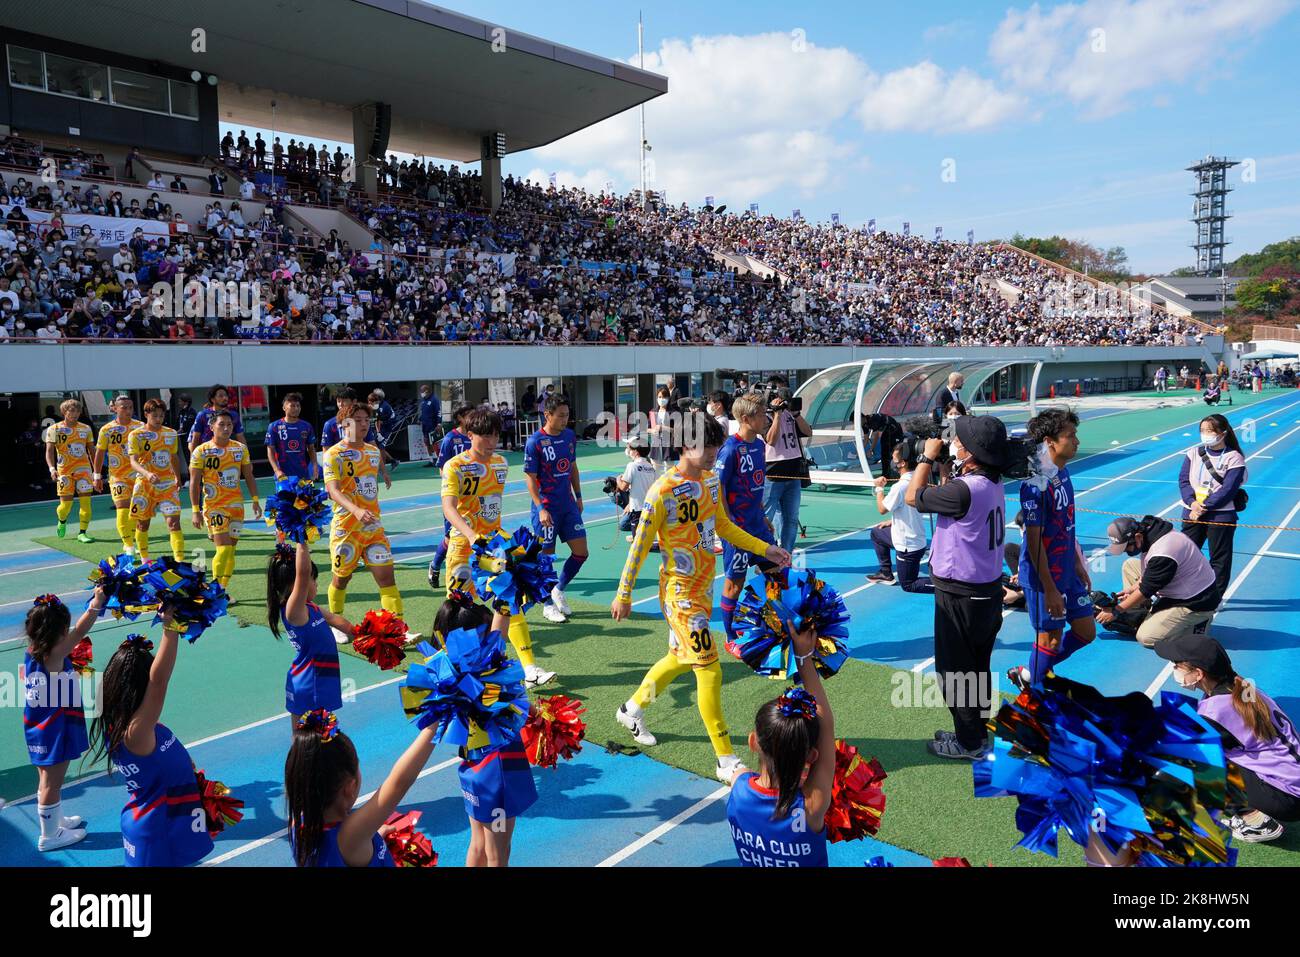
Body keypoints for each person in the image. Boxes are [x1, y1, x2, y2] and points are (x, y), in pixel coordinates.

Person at [610, 411, 791, 784]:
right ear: (684, 446)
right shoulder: (661, 491)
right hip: (679, 595)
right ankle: (725, 758)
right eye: (705, 446)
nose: (713, 453)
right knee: (709, 668)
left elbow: (723, 526)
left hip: (704, 587)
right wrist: (623, 594)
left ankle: (631, 709)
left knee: (680, 657)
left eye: (716, 445)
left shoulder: (710, 482)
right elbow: (640, 546)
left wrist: (766, 549)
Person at [906, 415, 1010, 760]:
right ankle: (976, 732)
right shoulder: (987, 483)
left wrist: (925, 458)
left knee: (953, 673)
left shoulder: (965, 489)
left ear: (973, 450)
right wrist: (946, 467)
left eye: (959, 441)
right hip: (986, 592)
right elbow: (950, 494)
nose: (953, 443)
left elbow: (913, 497)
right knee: (976, 668)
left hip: (960, 593)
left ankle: (969, 744)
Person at [440, 407, 554, 688]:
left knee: (509, 602)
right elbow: (448, 507)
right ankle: (453, 670)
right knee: (458, 609)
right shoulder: (454, 466)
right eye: (485, 436)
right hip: (464, 547)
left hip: (494, 546)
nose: (492, 442)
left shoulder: (501, 463)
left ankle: (525, 668)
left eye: (495, 435)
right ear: (470, 435)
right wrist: (469, 535)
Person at [89, 618, 214, 866]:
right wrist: (171, 627)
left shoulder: (130, 725)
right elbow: (160, 681)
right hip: (158, 828)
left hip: (163, 822)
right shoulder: (136, 731)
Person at [1155, 635, 1300, 843]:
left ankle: (1256, 821)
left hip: (1287, 799)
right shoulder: (1246, 688)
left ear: (1198, 673)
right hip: (1291, 783)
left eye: (1177, 665)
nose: (1174, 669)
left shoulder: (1215, 713)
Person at [433, 594, 538, 866]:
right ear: (476, 640)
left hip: (474, 766)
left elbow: (499, 630)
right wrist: (507, 584)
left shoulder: (451, 672)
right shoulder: (488, 675)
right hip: (499, 772)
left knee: (478, 845)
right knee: (498, 856)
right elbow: (500, 633)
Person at [727, 626, 835, 867]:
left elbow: (825, 727)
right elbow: (826, 725)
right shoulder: (811, 806)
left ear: (753, 742)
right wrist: (804, 657)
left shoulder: (738, 785)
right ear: (812, 755)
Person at [1009, 408, 1095, 688]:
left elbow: (1066, 523)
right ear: (1049, 441)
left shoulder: (1063, 471)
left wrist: (1078, 563)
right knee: (1051, 640)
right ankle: (1032, 698)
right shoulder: (1035, 484)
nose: (1077, 441)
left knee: (1086, 632)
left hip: (1067, 569)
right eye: (1070, 436)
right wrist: (1050, 589)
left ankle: (1031, 672)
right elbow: (1034, 543)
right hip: (1045, 577)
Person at [285, 709, 437, 866]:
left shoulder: (298, 820)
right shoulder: (350, 837)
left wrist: (373, 835)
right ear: (350, 787)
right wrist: (435, 724)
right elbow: (398, 783)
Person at [322, 404, 410, 639]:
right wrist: (356, 510)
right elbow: (333, 491)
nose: (363, 424)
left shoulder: (372, 451)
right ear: (343, 425)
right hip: (346, 529)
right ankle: (334, 622)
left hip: (373, 528)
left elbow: (373, 470)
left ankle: (396, 631)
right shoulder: (333, 454)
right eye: (357, 420)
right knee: (341, 579)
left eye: (366, 420)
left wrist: (385, 473)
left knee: (386, 577)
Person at [23, 591, 103, 851]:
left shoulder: (33, 650)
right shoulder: (54, 654)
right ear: (57, 632)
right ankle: (49, 836)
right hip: (54, 728)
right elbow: (80, 633)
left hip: (38, 725)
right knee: (51, 781)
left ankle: (54, 819)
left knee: (46, 779)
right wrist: (95, 606)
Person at [1097, 515, 1218, 648]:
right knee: (1130, 565)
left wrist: (1116, 611)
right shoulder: (1149, 532)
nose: (1126, 551)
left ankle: (1197, 623)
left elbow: (1146, 590)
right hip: (1182, 582)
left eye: (1126, 547)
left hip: (1196, 601)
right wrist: (1131, 590)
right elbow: (1150, 576)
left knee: (1146, 637)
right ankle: (1149, 614)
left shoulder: (1163, 552)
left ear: (1137, 537)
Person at [715, 391, 775, 645]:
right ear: (748, 418)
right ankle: (730, 637)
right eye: (762, 414)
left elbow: (755, 486)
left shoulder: (760, 445)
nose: (767, 419)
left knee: (777, 576)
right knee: (734, 586)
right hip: (738, 532)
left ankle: (769, 625)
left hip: (759, 527)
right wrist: (728, 528)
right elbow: (717, 492)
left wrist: (762, 515)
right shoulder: (729, 450)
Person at [267, 541, 354, 717]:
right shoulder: (294, 611)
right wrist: (302, 542)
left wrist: (365, 635)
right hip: (310, 683)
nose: (315, 584)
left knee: (311, 739)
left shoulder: (310, 607)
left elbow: (334, 619)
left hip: (321, 678)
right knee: (310, 740)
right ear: (297, 584)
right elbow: (303, 574)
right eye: (313, 579)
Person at [524, 393, 587, 624]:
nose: (565, 419)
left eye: (567, 415)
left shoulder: (570, 436)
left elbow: (572, 468)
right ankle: (547, 605)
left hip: (568, 504)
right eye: (560, 416)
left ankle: (558, 589)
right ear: (547, 415)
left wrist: (578, 496)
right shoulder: (535, 442)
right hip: (547, 508)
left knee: (581, 552)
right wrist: (540, 508)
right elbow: (530, 478)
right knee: (545, 559)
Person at [189, 410, 262, 590]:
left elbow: (249, 476)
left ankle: (223, 589)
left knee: (231, 550)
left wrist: (255, 500)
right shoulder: (201, 451)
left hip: (237, 506)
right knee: (223, 549)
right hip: (214, 506)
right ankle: (214, 589)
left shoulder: (240, 448)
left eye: (229, 425)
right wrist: (195, 511)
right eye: (221, 424)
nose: (226, 428)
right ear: (212, 427)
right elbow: (195, 483)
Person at [1178, 414, 1246, 599]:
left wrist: (1203, 507)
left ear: (1223, 433)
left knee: (1219, 560)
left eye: (1209, 431)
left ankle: (1214, 599)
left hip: (1220, 516)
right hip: (1192, 513)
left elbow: (1228, 490)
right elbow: (1184, 481)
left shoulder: (1234, 458)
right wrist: (1192, 503)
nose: (1205, 434)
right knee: (1185, 555)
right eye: (1202, 431)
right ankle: (1185, 592)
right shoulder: (1193, 453)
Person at [127, 398, 187, 562]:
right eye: (155, 415)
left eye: (161, 415)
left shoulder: (171, 433)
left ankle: (179, 561)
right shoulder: (136, 435)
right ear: (146, 414)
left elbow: (174, 456)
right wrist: (146, 474)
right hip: (145, 485)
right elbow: (133, 462)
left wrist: (178, 477)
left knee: (174, 522)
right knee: (142, 524)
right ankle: (145, 558)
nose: (159, 419)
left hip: (167, 485)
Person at [868, 441, 932, 592]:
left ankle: (951, 587)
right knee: (877, 533)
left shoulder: (900, 487)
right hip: (914, 538)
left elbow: (882, 508)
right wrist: (893, 521)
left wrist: (879, 488)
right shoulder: (920, 480)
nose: (892, 462)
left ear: (902, 463)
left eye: (894, 460)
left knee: (909, 584)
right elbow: (910, 508)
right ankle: (885, 573)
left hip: (908, 545)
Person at [426, 404, 474, 589]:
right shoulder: (450, 439)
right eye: (469, 414)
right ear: (461, 417)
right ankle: (435, 565)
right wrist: (454, 486)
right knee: (450, 537)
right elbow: (442, 468)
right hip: (455, 496)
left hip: (474, 498)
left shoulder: (475, 436)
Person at [762, 381, 811, 554]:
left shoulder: (792, 415)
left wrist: (796, 414)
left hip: (793, 474)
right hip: (773, 475)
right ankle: (767, 555)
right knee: (767, 518)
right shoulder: (765, 417)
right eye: (784, 400)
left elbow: (808, 432)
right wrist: (776, 415)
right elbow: (771, 440)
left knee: (791, 518)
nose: (786, 403)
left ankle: (786, 555)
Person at [93, 395, 143, 556]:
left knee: (136, 511)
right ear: (115, 408)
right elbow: (100, 453)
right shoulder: (107, 429)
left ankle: (133, 534)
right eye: (124, 407)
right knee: (122, 507)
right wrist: (97, 475)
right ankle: (128, 545)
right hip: (117, 476)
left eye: (130, 407)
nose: (128, 410)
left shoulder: (141, 426)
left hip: (139, 475)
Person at [45, 398, 96, 544]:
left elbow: (92, 450)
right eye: (71, 411)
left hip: (84, 471)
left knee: (86, 504)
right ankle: (62, 521)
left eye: (77, 411)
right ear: (64, 412)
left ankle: (82, 532)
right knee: (64, 507)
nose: (74, 414)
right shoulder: (54, 429)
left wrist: (96, 471)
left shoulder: (85, 428)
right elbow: (49, 451)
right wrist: (52, 468)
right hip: (64, 471)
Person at [266, 392, 319, 483]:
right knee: (286, 497)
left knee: (305, 497)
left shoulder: (306, 426)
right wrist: (276, 470)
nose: (296, 408)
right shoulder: (274, 426)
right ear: (284, 408)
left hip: (303, 474)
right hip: (282, 475)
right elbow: (270, 451)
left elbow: (311, 449)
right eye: (292, 406)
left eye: (298, 406)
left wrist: (315, 466)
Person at [616, 436, 657, 543]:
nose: (628, 450)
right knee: (645, 532)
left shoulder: (632, 466)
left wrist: (617, 480)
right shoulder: (651, 467)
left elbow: (623, 487)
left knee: (638, 542)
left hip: (637, 507)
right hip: (650, 506)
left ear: (636, 452)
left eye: (630, 448)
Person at [188, 384, 246, 454]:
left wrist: (246, 455)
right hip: (207, 454)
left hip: (228, 454)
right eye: (221, 396)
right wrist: (193, 458)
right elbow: (195, 438)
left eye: (226, 395)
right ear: (212, 399)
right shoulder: (202, 415)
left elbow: (240, 436)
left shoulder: (234, 415)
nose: (225, 398)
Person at [418, 383, 442, 466]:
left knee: (434, 443)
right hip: (425, 426)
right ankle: (431, 460)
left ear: (427, 391)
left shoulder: (434, 399)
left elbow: (438, 412)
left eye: (422, 391)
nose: (421, 393)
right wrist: (420, 419)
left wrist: (439, 423)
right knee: (427, 442)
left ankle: (438, 459)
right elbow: (423, 412)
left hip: (433, 425)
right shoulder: (424, 401)